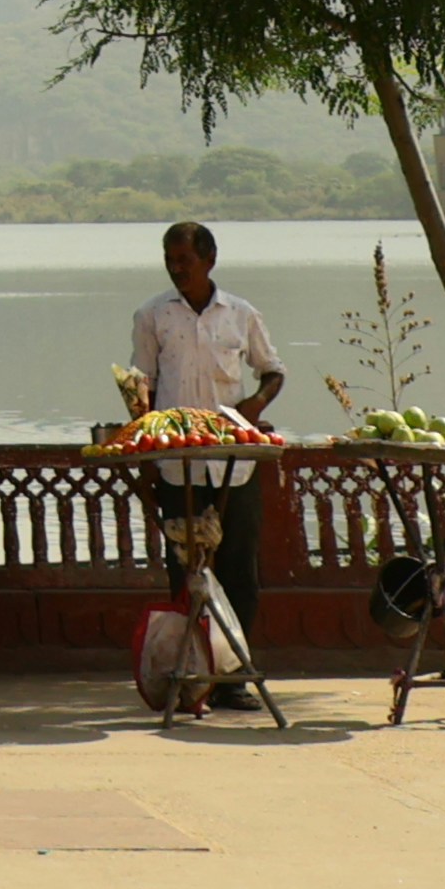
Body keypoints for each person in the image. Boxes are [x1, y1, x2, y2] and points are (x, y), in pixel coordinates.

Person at [128, 222, 282, 708]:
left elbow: (273, 371)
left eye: (186, 262)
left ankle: (232, 677)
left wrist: (255, 404)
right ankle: (191, 676)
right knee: (184, 572)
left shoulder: (241, 314)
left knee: (239, 571)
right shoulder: (152, 315)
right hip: (178, 465)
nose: (177, 270)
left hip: (234, 465)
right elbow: (141, 389)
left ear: (209, 260)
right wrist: (145, 460)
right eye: (170, 261)